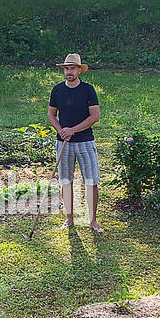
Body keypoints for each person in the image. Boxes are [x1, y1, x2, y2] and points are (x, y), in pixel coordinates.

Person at [47, 53, 102, 232]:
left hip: (85, 141)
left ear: (79, 70)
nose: (69, 72)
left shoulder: (88, 90)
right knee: (65, 180)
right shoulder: (57, 90)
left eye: (72, 68)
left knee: (91, 181)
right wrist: (61, 130)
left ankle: (92, 220)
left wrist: (73, 130)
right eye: (66, 68)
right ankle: (69, 218)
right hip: (63, 142)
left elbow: (95, 116)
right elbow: (51, 115)